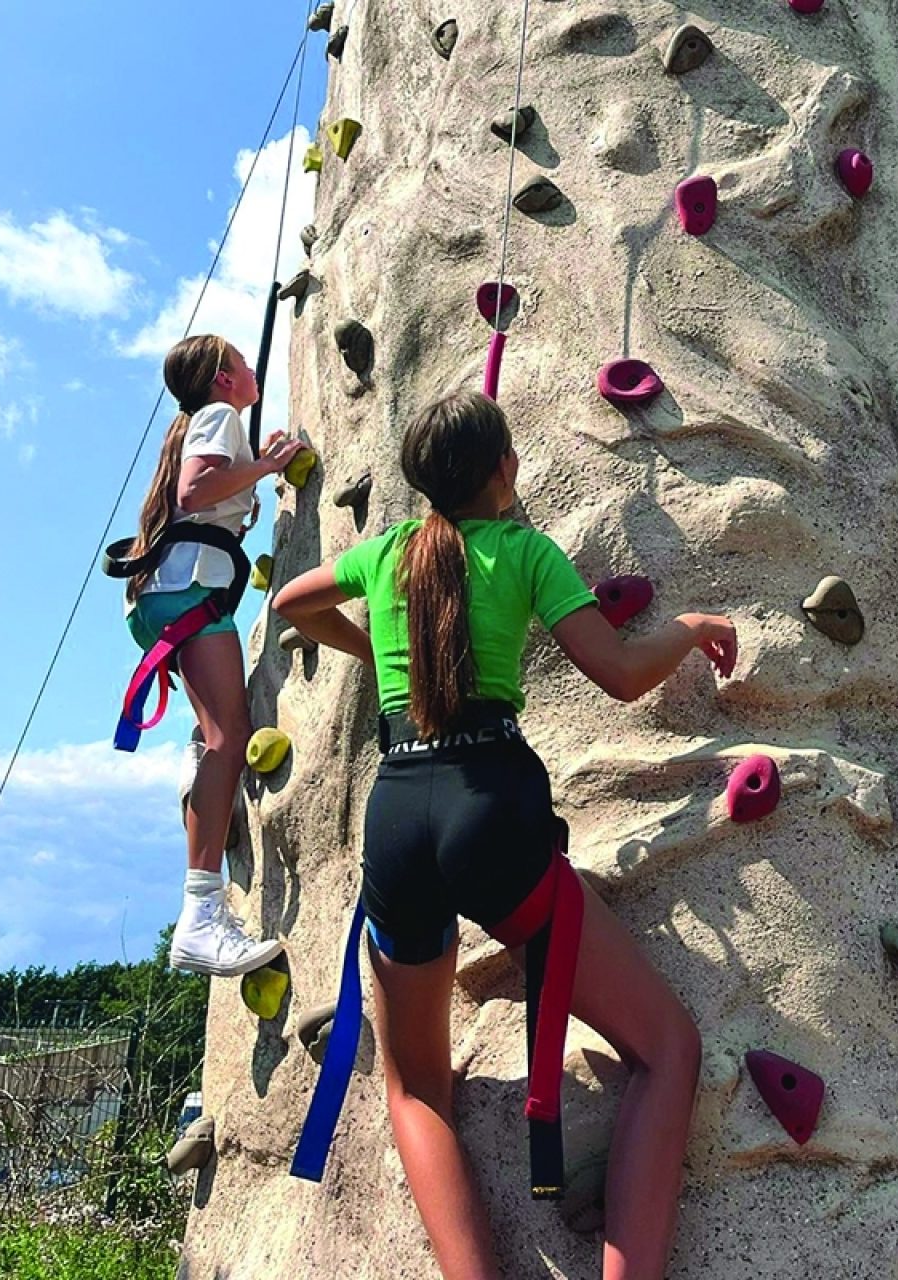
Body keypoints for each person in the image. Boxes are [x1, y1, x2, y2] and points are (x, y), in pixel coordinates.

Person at [274, 389, 736, 1280]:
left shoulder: (392, 555)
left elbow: (294, 600)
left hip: (399, 814)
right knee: (667, 1050)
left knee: (416, 1087)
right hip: (493, 812)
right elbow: (623, 674)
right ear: (505, 471)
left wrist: (375, 650)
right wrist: (687, 627)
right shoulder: (525, 552)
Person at [124, 334, 304, 976]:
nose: (252, 370)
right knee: (232, 739)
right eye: (242, 363)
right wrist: (268, 465)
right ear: (225, 379)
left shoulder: (205, 421)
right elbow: (197, 492)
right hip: (192, 591)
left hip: (174, 593)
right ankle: (200, 916)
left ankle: (196, 772)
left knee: (217, 736)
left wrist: (260, 464)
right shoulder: (220, 416)